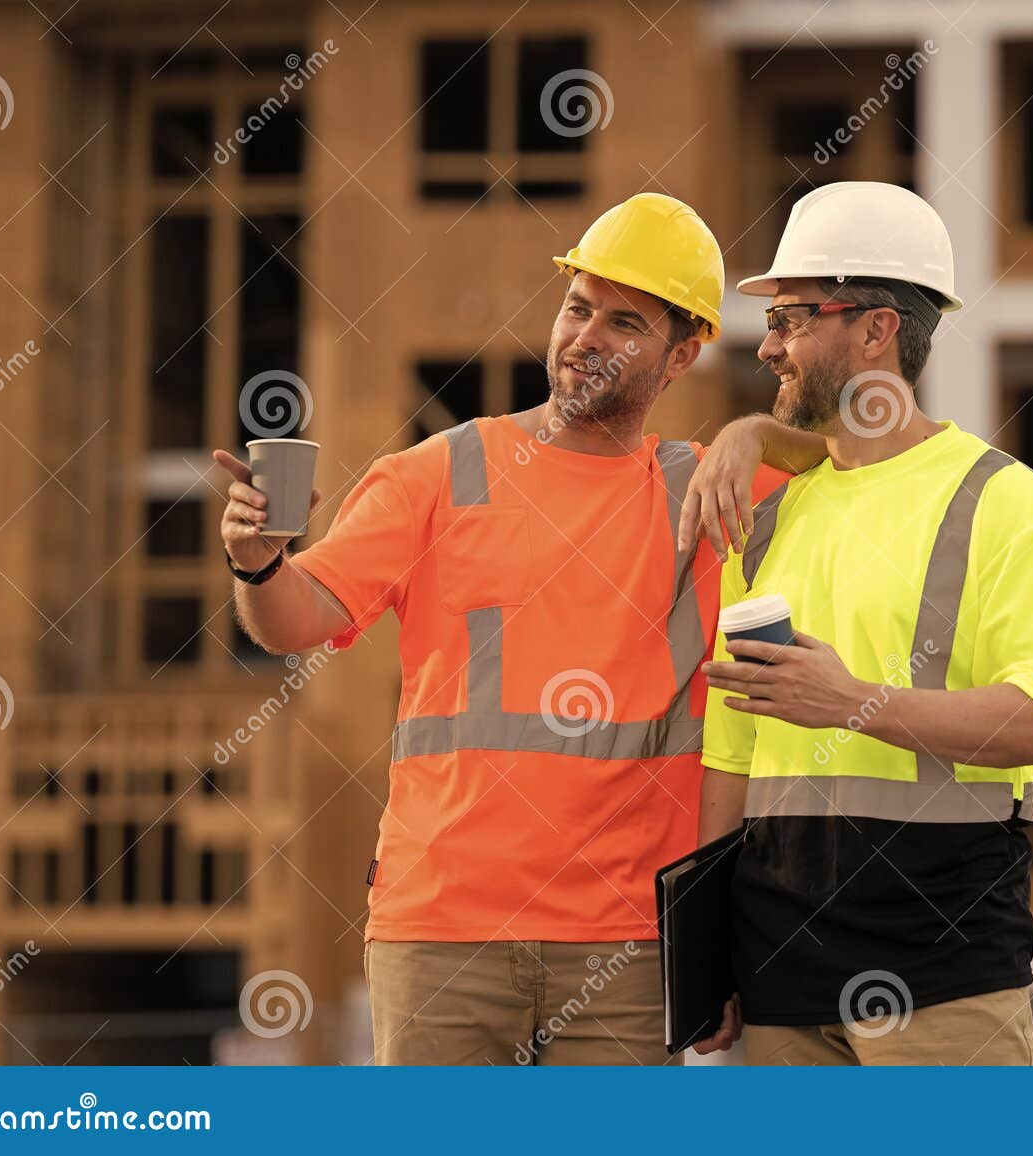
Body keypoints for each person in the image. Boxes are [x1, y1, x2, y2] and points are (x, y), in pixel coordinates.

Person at [213, 192, 824, 1065]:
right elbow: (294, 619)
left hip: (629, 946)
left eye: (624, 323)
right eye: (578, 308)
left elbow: (858, 458)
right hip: (441, 933)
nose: (586, 337)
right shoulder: (438, 473)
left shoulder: (706, 491)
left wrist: (753, 433)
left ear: (683, 354)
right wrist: (258, 563)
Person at [693, 182, 1033, 1066]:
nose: (767, 345)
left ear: (875, 330)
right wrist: (708, 949)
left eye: (791, 318)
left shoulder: (1005, 500)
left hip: (944, 975)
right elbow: (731, 755)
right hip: (780, 979)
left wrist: (853, 703)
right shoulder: (767, 520)